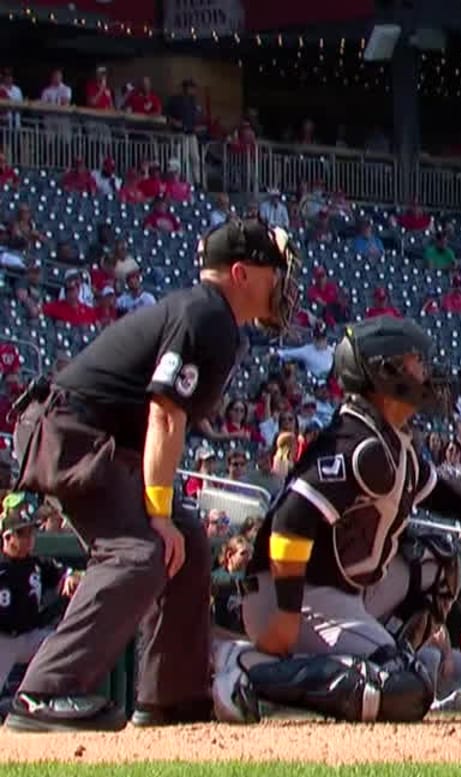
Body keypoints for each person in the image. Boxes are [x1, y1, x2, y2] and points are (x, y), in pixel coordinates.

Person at [5, 218, 300, 733]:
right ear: (241, 273)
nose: (281, 282)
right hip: (71, 431)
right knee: (139, 551)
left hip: (102, 439)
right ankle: (44, 692)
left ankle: (171, 698)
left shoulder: (214, 318)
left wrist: (167, 516)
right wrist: (156, 513)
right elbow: (165, 414)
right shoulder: (206, 316)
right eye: (273, 271)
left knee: (187, 541)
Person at [206, 318, 461, 724]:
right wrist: (285, 616)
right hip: (292, 596)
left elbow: (441, 492)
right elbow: (290, 521)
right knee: (407, 687)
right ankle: (247, 667)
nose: (426, 373)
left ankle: (376, 662)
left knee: (437, 563)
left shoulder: (392, 439)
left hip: (339, 590)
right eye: (415, 363)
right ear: (384, 373)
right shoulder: (358, 443)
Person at [0, 494, 73, 716]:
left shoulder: (37, 564)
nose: (29, 538)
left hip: (31, 635)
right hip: (3, 640)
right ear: (7, 537)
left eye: (32, 531)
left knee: (62, 645)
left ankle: (46, 700)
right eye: (23, 533)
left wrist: (71, 577)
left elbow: (64, 574)